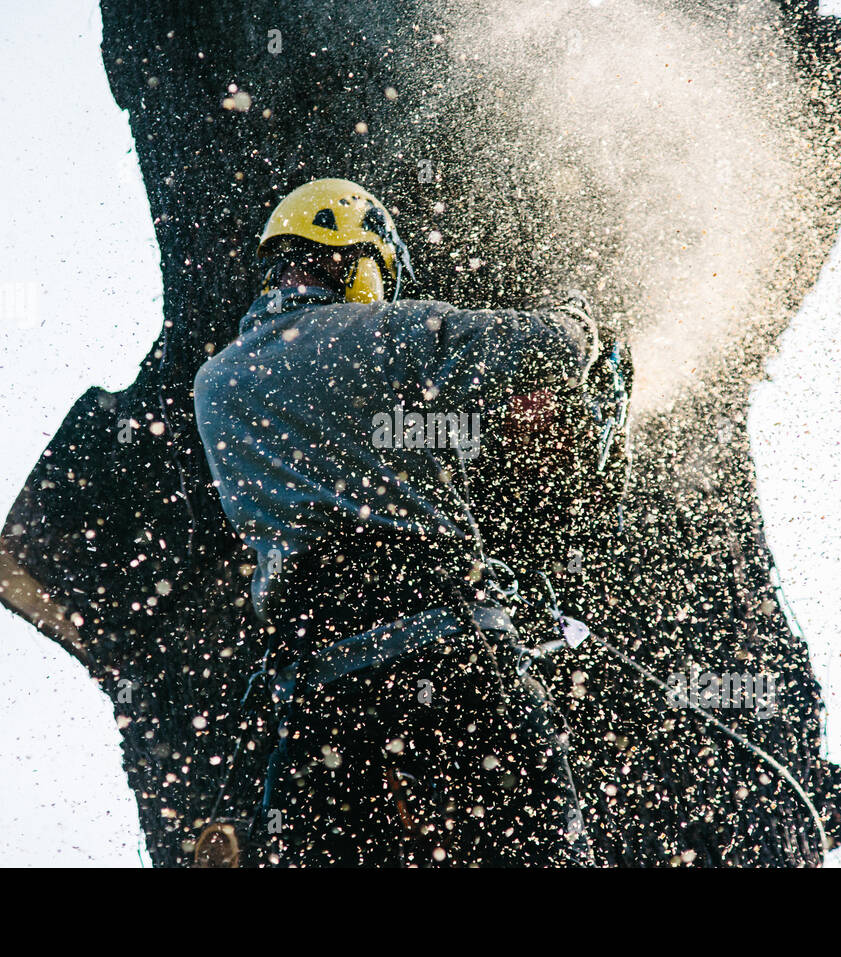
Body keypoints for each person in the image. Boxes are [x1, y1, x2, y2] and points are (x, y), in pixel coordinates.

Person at [193, 178, 630, 866]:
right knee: (544, 842)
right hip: (444, 644)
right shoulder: (382, 335)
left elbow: (335, 454)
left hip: (319, 684)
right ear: (355, 255)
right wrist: (581, 318)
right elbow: (544, 346)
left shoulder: (214, 384)